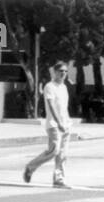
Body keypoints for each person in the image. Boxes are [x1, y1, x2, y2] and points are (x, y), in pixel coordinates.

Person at [23, 60, 71, 188]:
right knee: (54, 151)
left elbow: (64, 107)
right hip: (54, 125)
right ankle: (30, 167)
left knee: (62, 154)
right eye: (61, 71)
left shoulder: (64, 87)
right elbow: (51, 106)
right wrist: (59, 122)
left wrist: (67, 122)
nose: (63, 74)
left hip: (65, 124)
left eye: (66, 71)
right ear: (55, 72)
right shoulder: (50, 86)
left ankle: (59, 180)